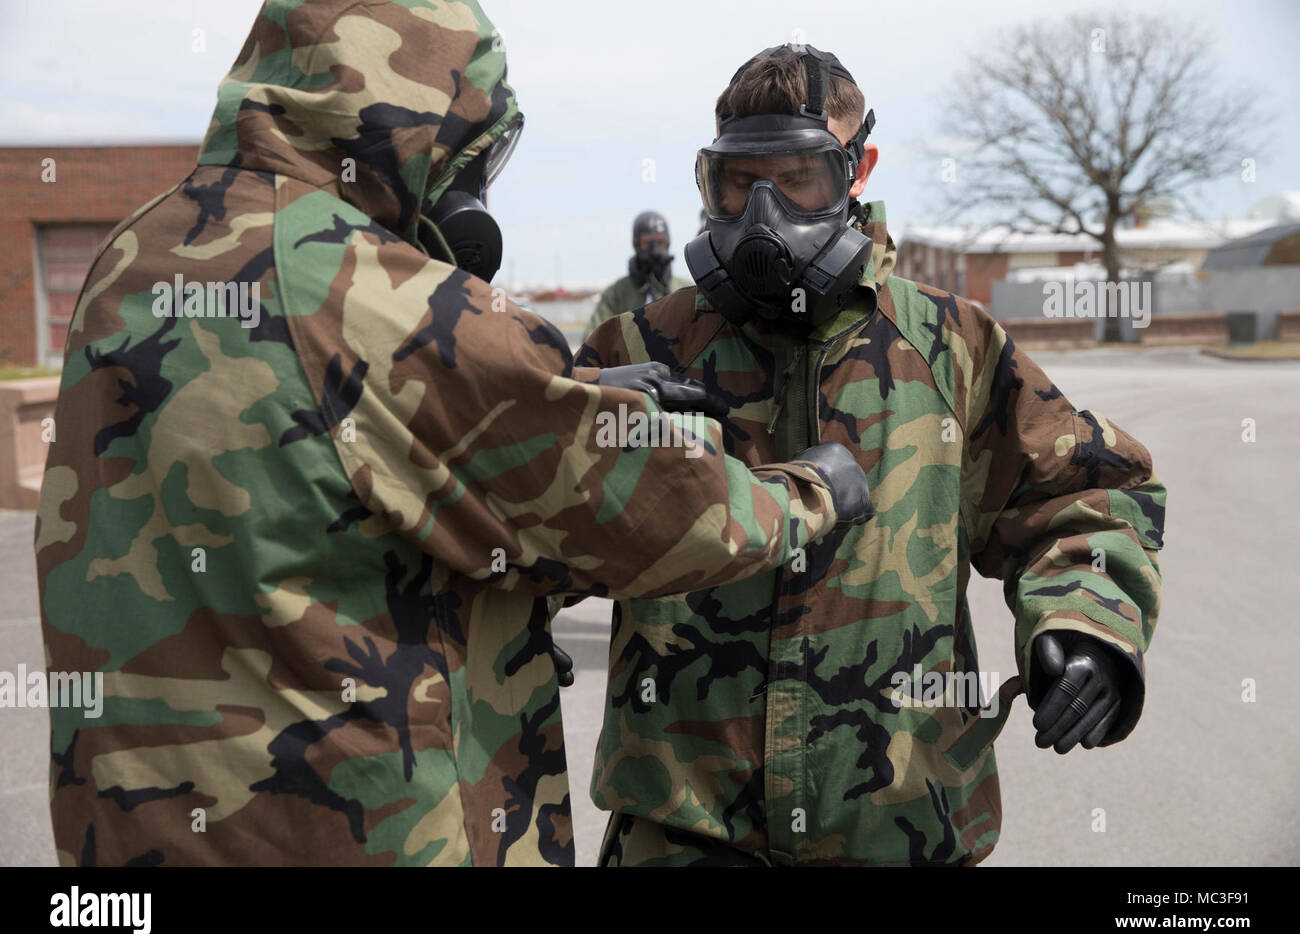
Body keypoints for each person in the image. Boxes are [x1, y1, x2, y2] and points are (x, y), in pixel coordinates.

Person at [32, 7, 874, 867]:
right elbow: (648, 514)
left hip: (129, 838)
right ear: (418, 127)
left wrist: (561, 396)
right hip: (353, 827)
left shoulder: (131, 254)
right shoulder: (392, 294)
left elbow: (313, 459)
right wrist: (807, 490)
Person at [576, 44, 1167, 866]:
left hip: (903, 831)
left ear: (859, 169)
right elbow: (530, 544)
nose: (763, 216)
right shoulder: (643, 345)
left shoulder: (952, 344)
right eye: (740, 184)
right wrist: (583, 427)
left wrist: (1086, 621)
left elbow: (1085, 499)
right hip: (683, 836)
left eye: (799, 179)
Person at [584, 211, 692, 338]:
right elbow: (592, 340)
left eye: (660, 242)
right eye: (647, 243)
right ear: (636, 244)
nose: (655, 250)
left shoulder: (688, 291)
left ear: (668, 243)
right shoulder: (617, 293)